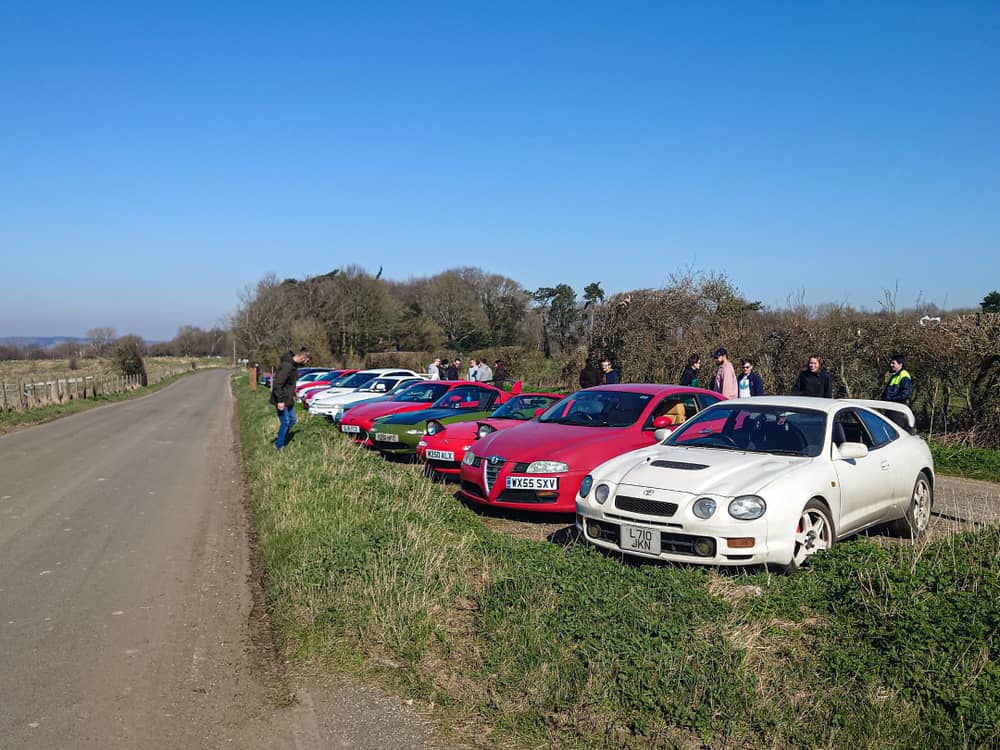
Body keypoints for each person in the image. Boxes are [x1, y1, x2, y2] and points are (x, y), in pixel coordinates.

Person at [270, 347, 311, 449]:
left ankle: (281, 438)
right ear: (303, 357)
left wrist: (293, 393)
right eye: (307, 360)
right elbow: (277, 384)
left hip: (288, 398)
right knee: (286, 422)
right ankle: (279, 445)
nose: (306, 363)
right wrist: (280, 401)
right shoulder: (287, 366)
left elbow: (289, 383)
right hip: (282, 399)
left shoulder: (293, 366)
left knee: (292, 420)